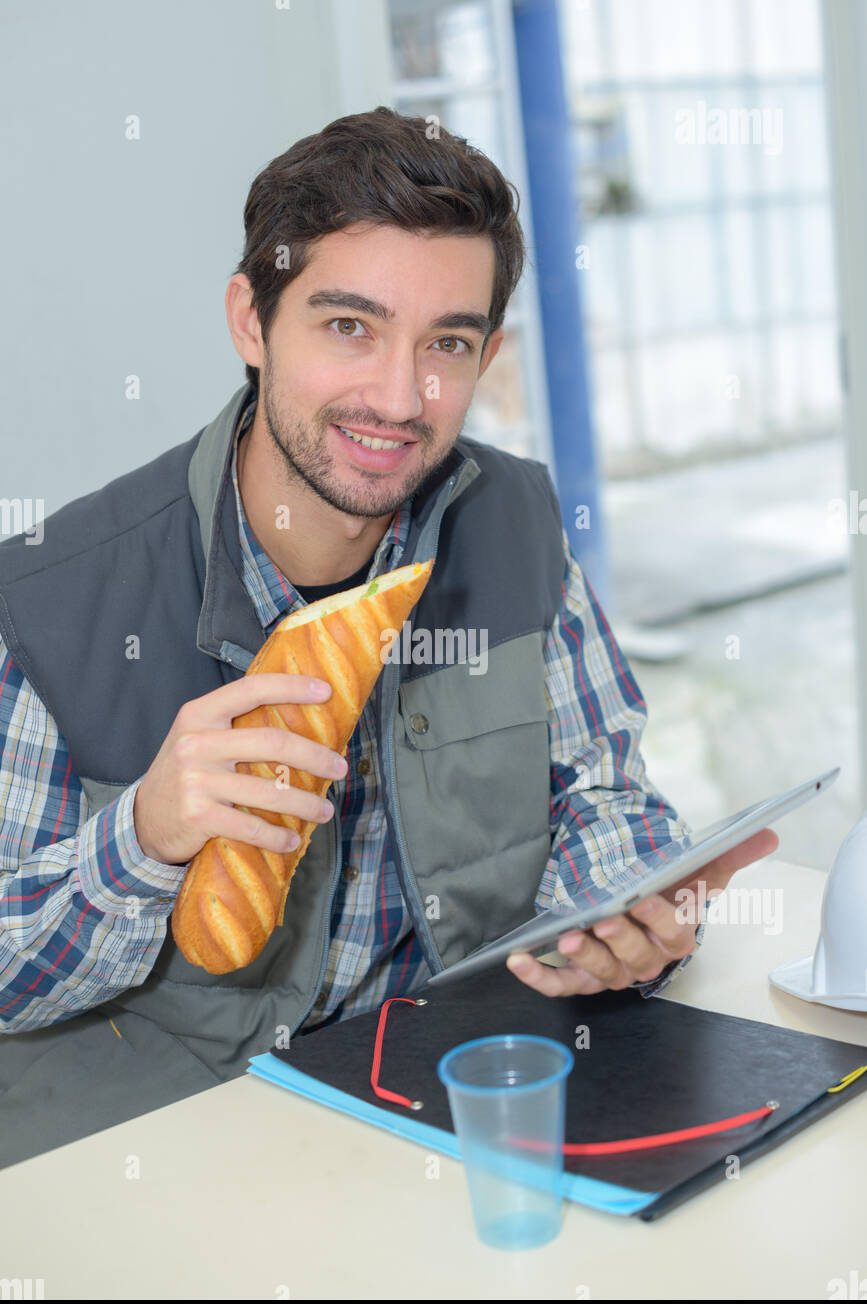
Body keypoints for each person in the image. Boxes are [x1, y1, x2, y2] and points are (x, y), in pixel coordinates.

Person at [0, 107, 777, 1169]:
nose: (399, 397)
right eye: (348, 326)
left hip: (434, 1108)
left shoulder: (514, 524)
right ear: (250, 320)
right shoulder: (47, 596)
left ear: (487, 355)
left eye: (446, 343)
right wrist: (141, 837)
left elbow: (599, 793)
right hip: (156, 1156)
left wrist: (611, 925)